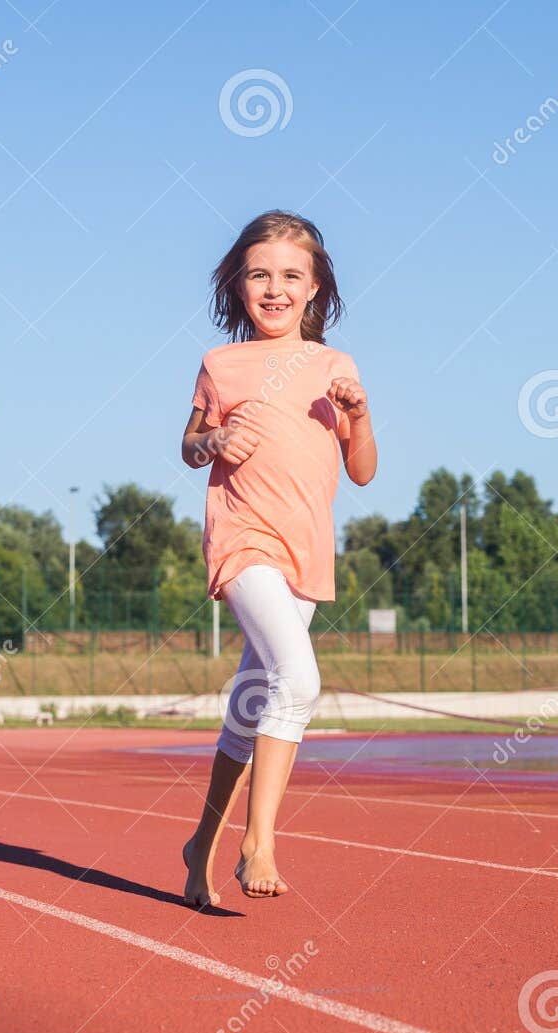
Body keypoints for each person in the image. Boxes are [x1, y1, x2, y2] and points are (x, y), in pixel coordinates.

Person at [177, 210, 377, 908]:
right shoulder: (220, 364)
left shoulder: (334, 367)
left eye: (290, 275)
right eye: (259, 274)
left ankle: (201, 841)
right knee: (298, 678)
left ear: (315, 287)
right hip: (241, 538)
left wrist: (361, 412)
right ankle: (257, 840)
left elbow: (363, 471)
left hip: (306, 551)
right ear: (237, 284)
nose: (274, 288)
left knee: (254, 696)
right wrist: (214, 441)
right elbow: (190, 443)